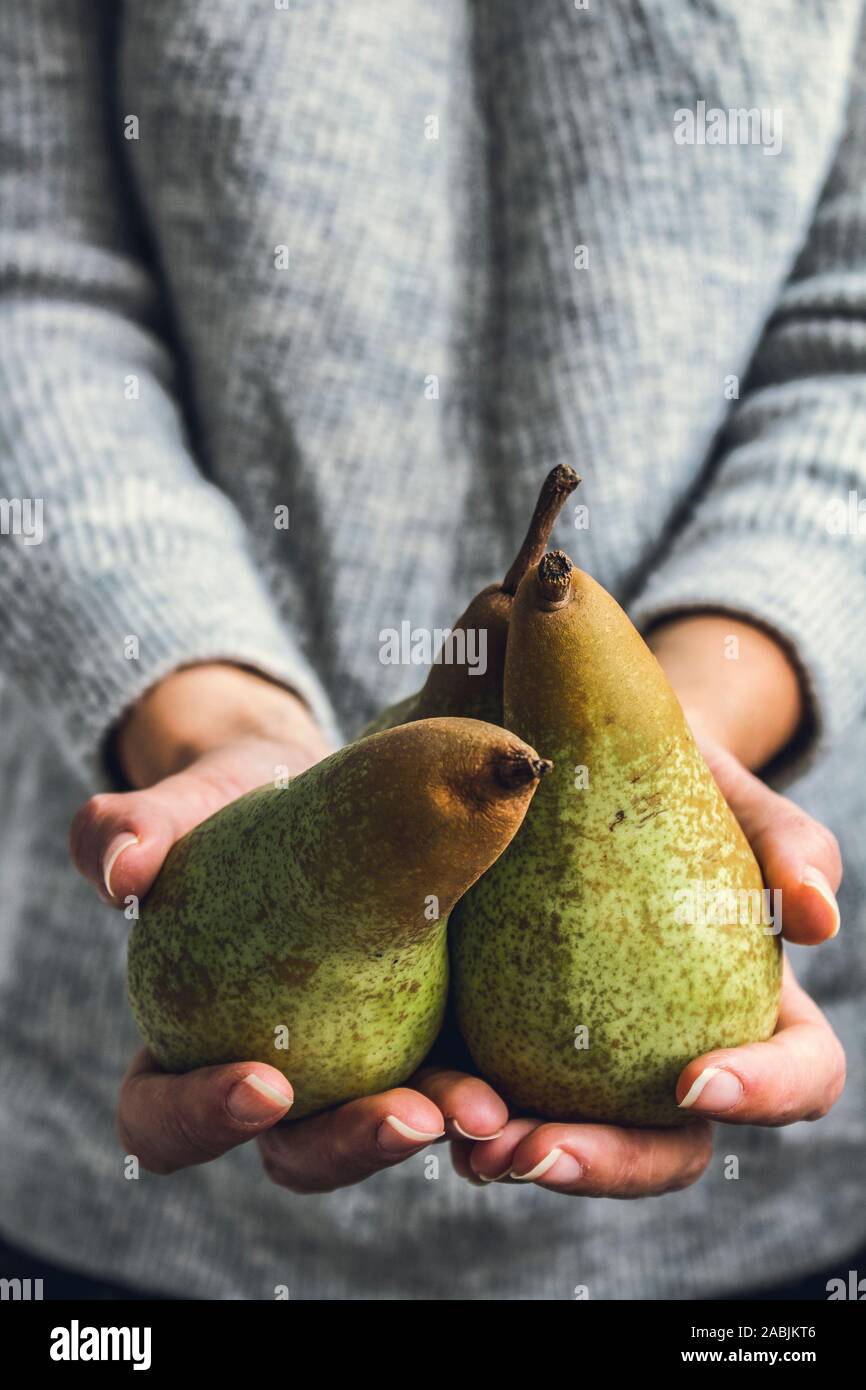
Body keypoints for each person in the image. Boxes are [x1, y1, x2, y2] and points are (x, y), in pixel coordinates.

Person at [0, 1, 863, 1302]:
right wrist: (200, 718)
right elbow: (30, 287)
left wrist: (703, 712)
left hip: (760, 1233)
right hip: (119, 1201)